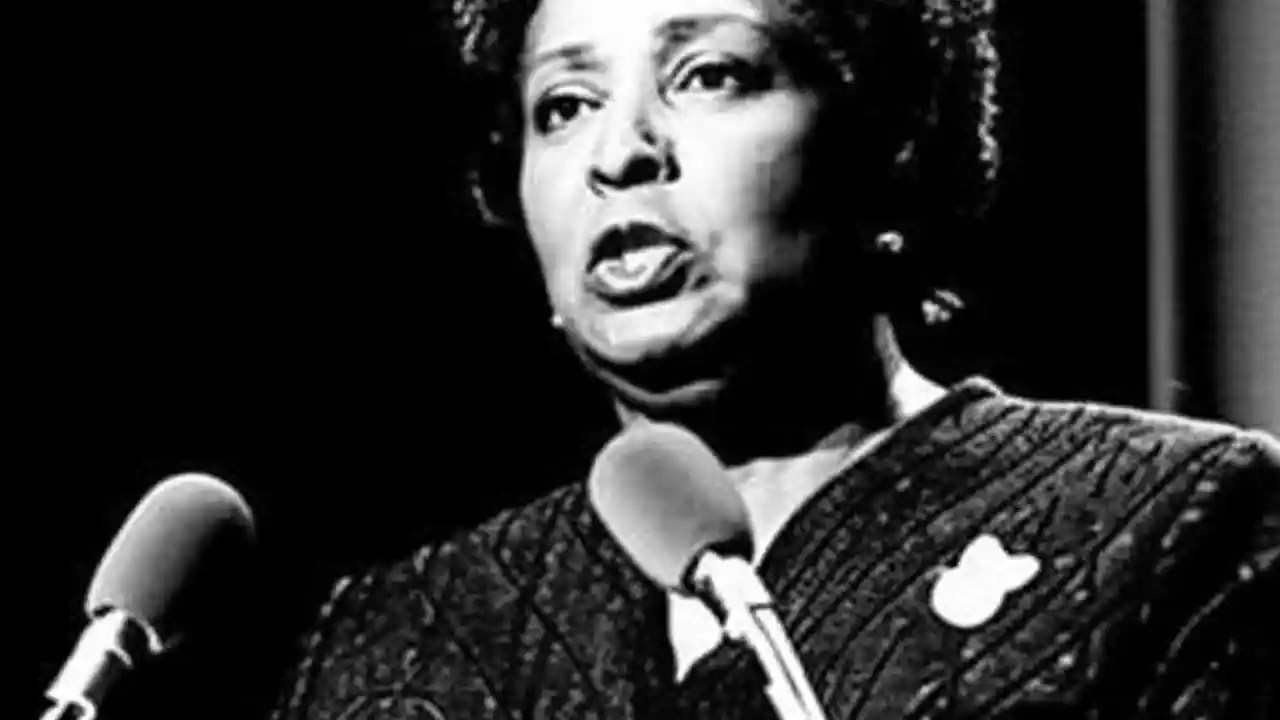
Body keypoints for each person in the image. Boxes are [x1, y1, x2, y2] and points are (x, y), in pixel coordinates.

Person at [269, 0, 1278, 717]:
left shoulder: (1169, 522)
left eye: (707, 76)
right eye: (563, 106)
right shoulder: (412, 628)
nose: (618, 153)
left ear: (888, 142)